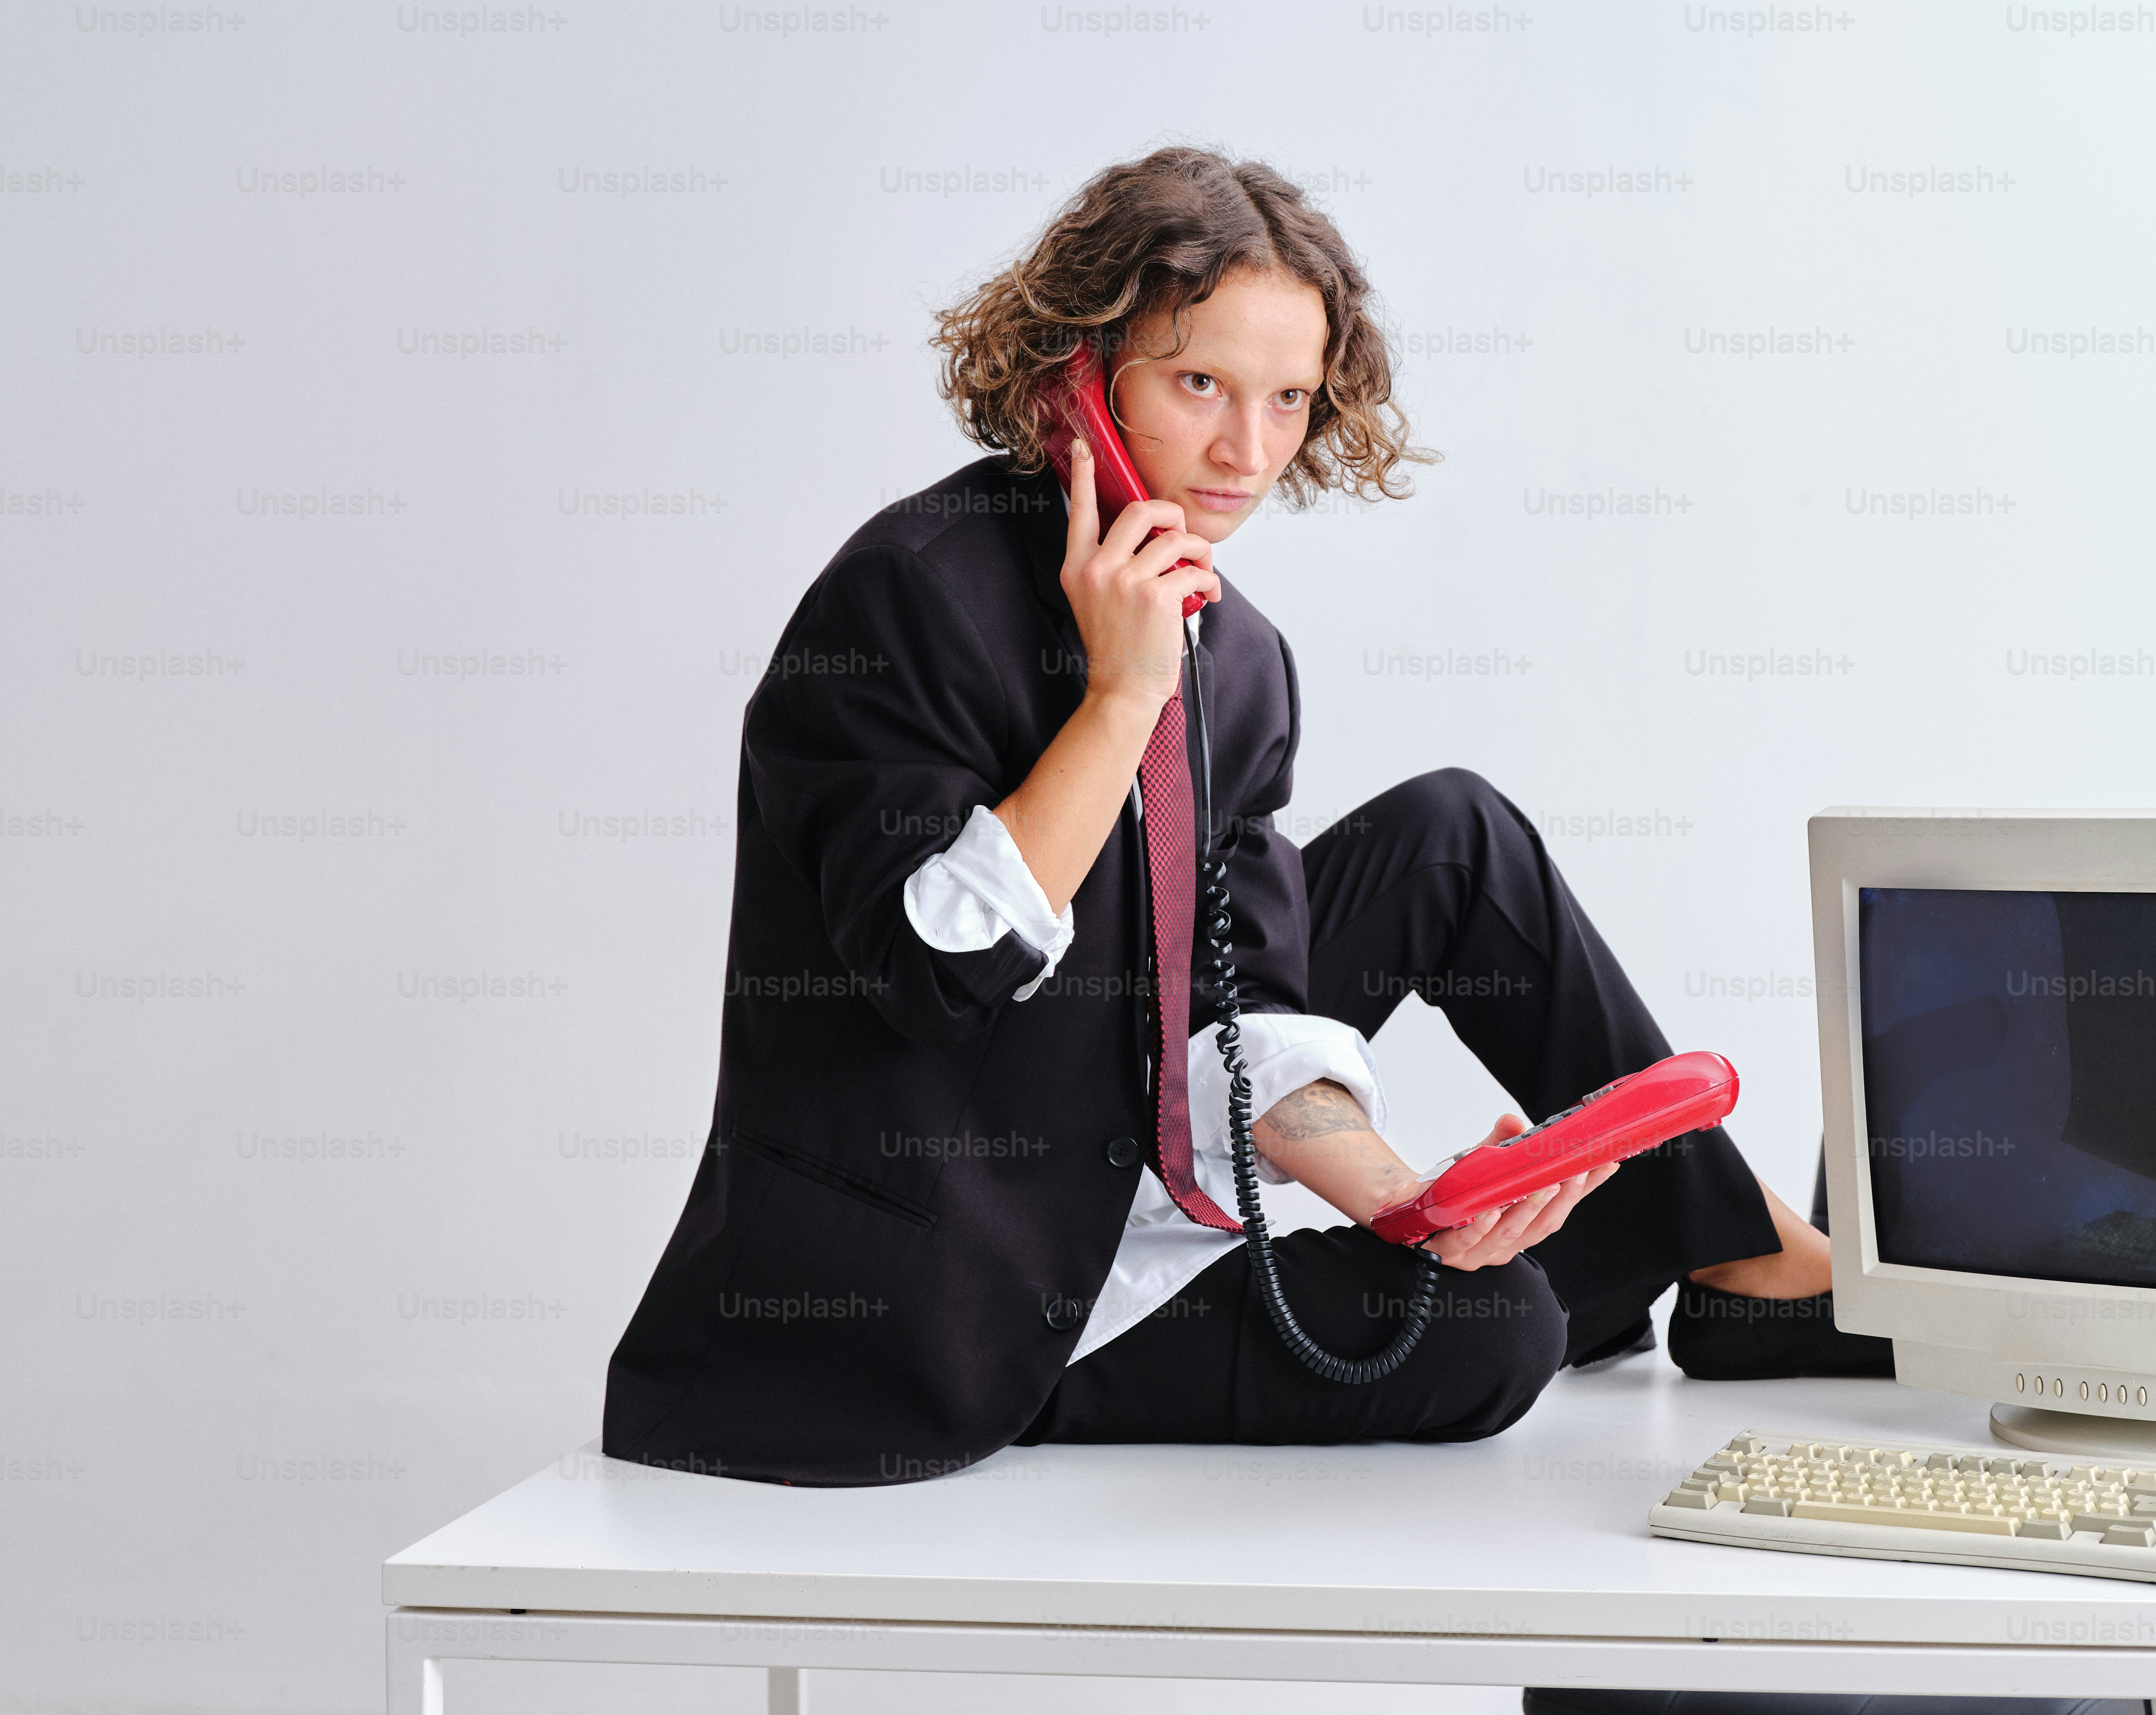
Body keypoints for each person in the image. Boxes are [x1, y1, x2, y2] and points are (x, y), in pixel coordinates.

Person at [601, 149, 1886, 1488]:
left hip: (1117, 1116)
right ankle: (1642, 1271)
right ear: (1078, 372)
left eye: (1288, 399)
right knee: (1501, 1335)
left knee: (1453, 834)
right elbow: (932, 970)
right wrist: (1121, 697)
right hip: (952, 1274)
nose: (1248, 452)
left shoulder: (1240, 654)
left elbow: (1239, 1012)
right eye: (1200, 385)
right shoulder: (911, 595)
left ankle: (1707, 1255)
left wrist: (1403, 1201)